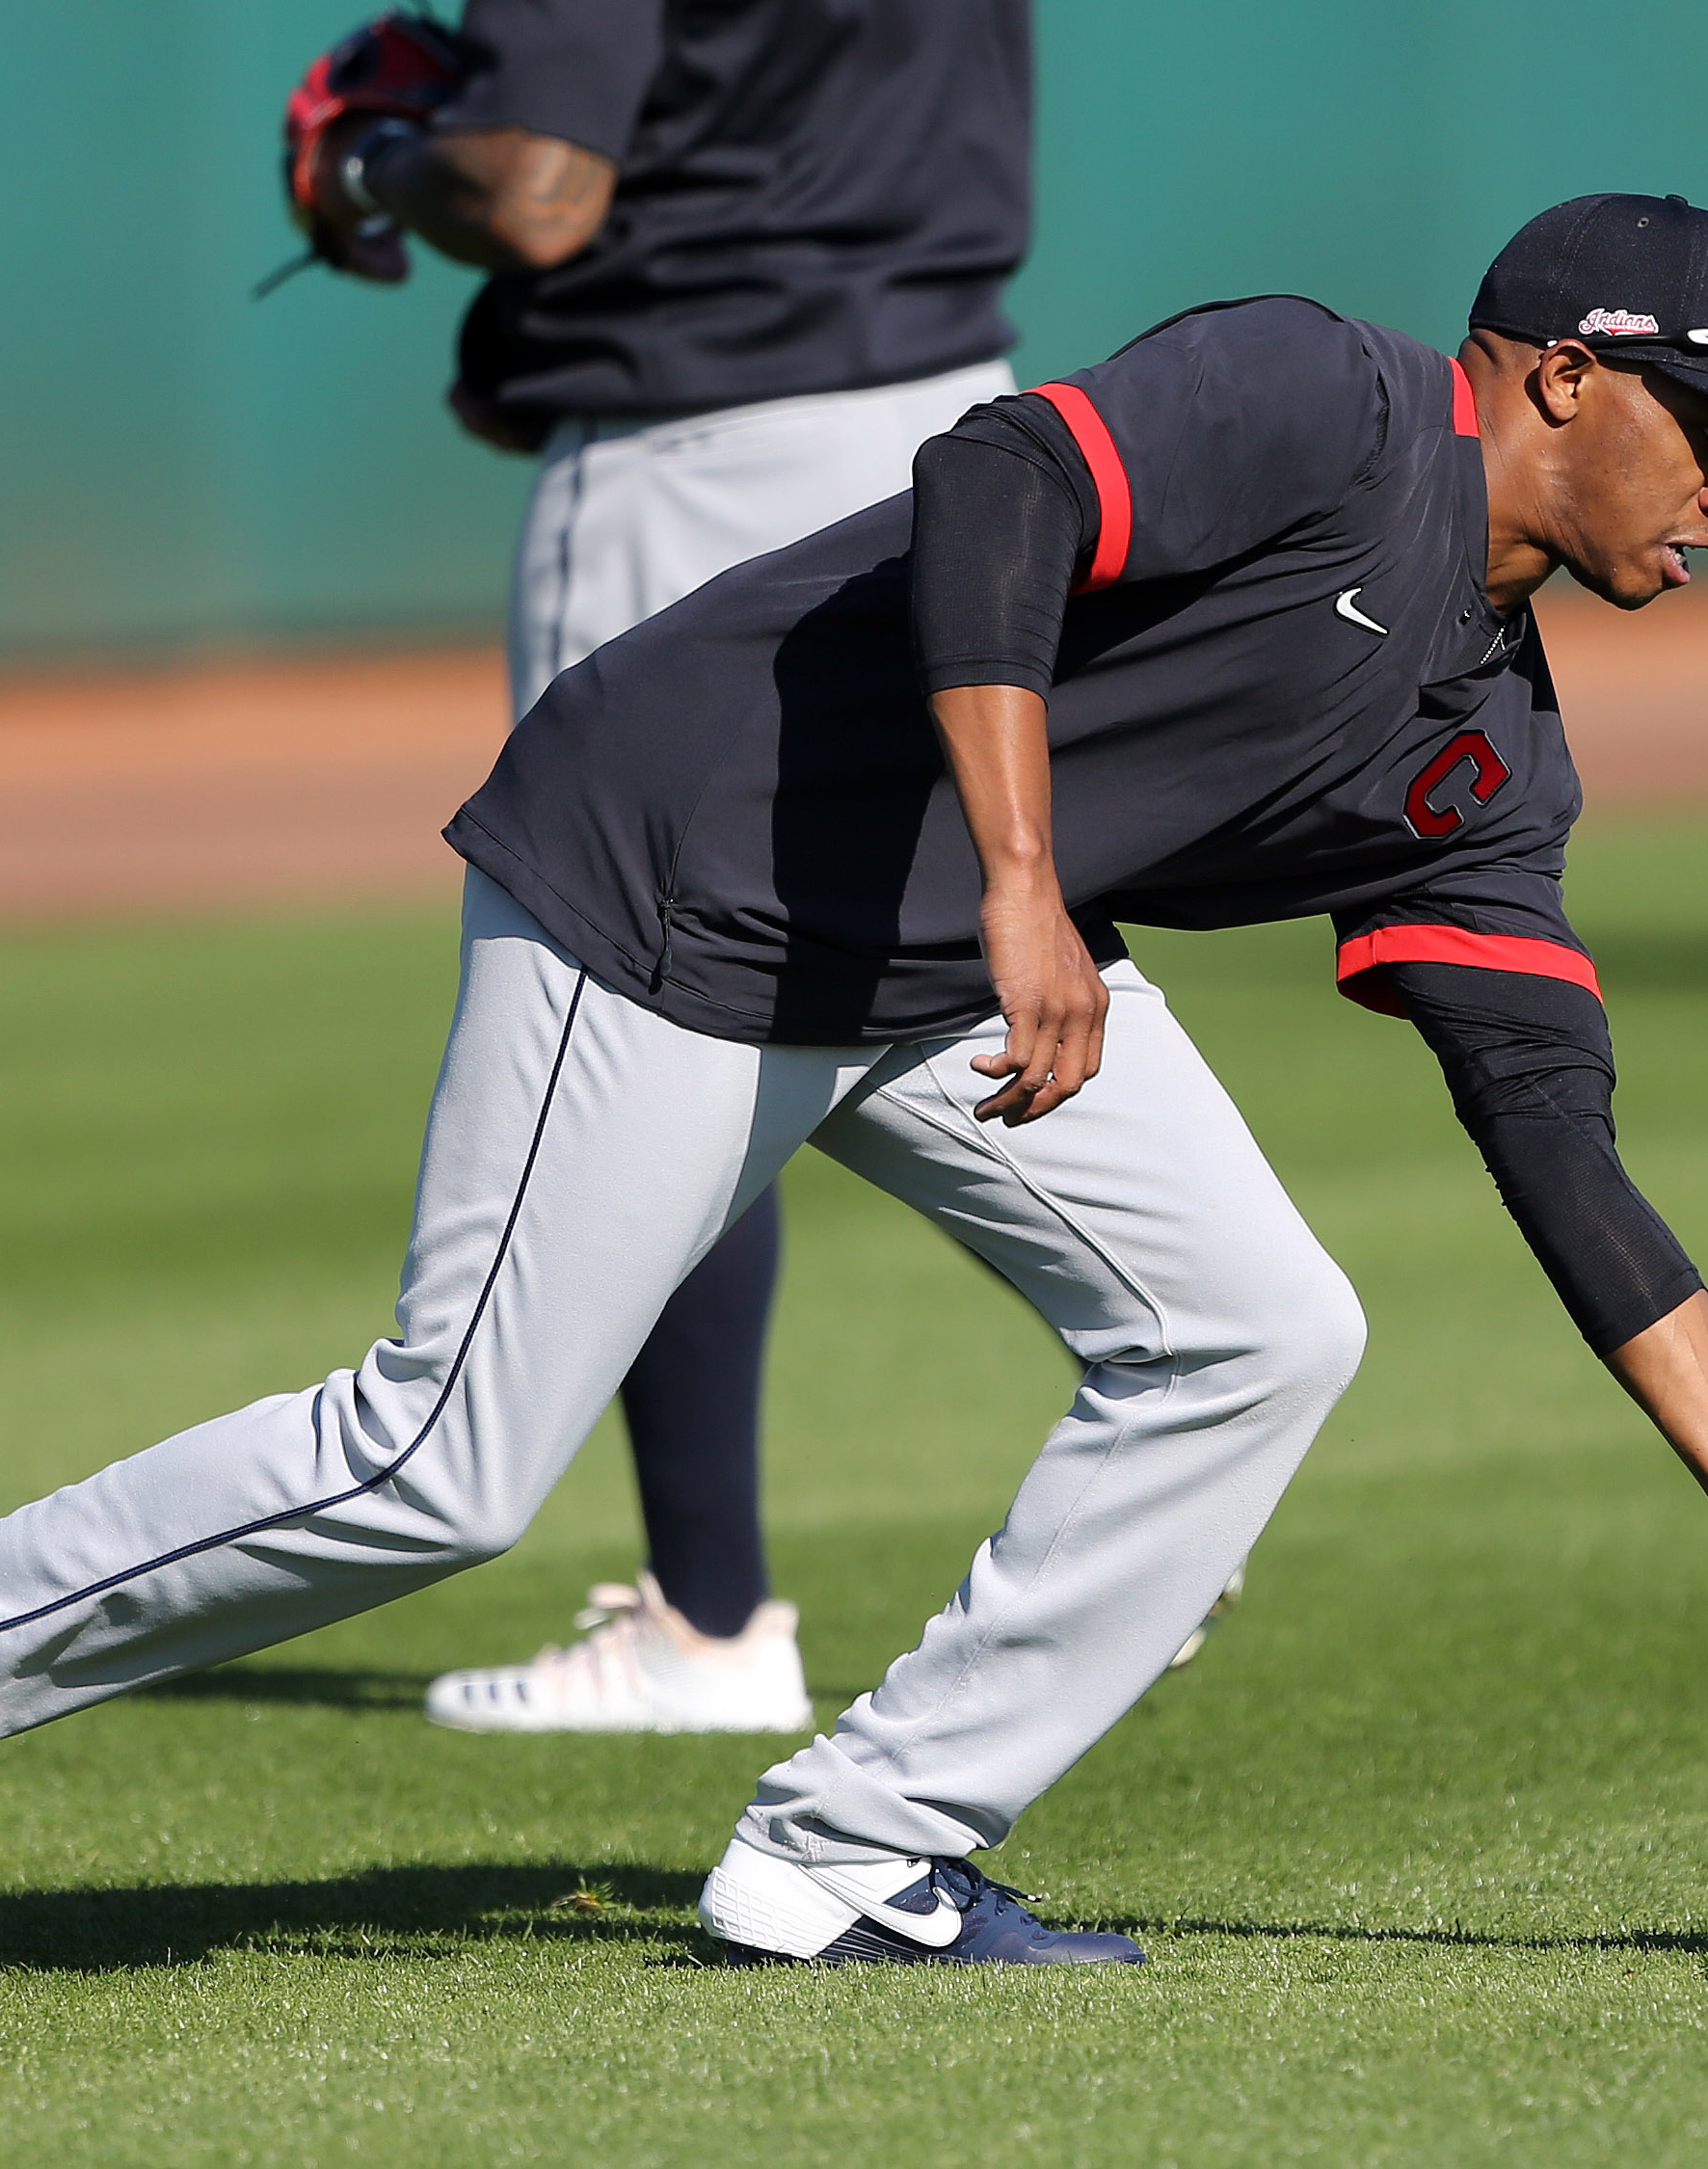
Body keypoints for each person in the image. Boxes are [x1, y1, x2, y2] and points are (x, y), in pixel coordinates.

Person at [0, 193, 1708, 1972]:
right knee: (440, 1462)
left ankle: (853, 1849)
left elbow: (1559, 1153)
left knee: (1259, 1329)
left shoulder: (1486, 751)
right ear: (1558, 378)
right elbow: (998, 480)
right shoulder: (1325, 397)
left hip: (944, 966)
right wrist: (1027, 878)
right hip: (687, 866)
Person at [293, 0, 1035, 1731]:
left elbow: (540, 190)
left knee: (659, 1003)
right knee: (907, 945)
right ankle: (1152, 1399)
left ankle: (705, 1621)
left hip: (696, 466)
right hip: (955, 434)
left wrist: (377, 159)